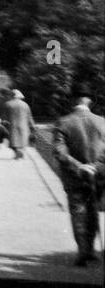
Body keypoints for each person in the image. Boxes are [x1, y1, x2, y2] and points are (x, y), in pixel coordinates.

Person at [51, 91, 105, 266]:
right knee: (93, 210)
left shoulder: (63, 122)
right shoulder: (102, 122)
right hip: (97, 176)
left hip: (75, 177)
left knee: (78, 212)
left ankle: (83, 251)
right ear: (90, 102)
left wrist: (79, 166)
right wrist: (95, 166)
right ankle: (90, 249)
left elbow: (59, 151)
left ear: (73, 101)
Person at [4, 88, 33, 160]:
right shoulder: (25, 105)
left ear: (12, 95)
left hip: (12, 125)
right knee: (22, 141)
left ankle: (17, 153)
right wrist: (32, 125)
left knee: (13, 141)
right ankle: (19, 153)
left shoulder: (8, 104)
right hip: (23, 125)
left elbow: (4, 116)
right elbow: (29, 117)